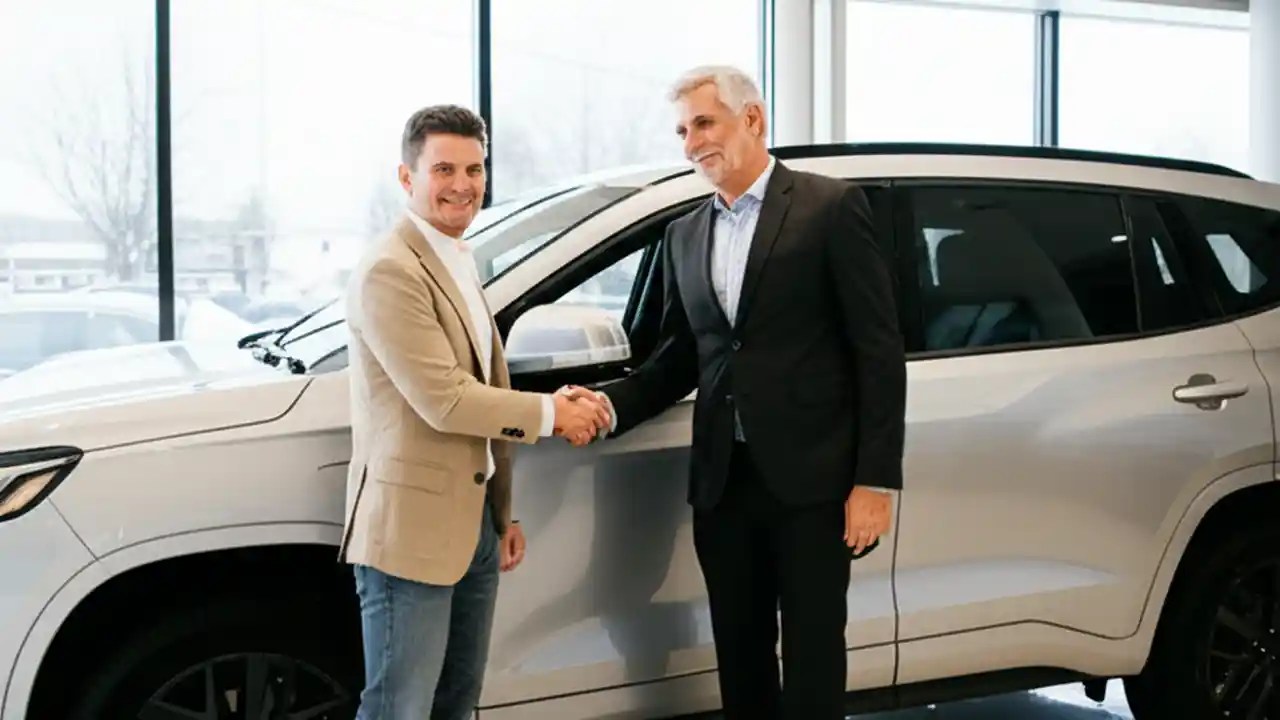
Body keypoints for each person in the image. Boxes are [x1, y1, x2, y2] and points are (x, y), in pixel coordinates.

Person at [562, 66, 906, 719]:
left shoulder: (829, 209)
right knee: (740, 654)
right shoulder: (684, 234)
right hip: (723, 483)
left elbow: (879, 353)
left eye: (704, 123)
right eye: (682, 130)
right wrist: (608, 405)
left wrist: (875, 481)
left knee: (811, 658)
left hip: (815, 484)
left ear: (753, 119)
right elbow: (678, 360)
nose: (692, 143)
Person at [339, 104, 610, 720]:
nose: (463, 184)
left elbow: (479, 381)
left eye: (475, 168)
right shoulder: (390, 269)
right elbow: (445, 399)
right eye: (444, 169)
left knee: (457, 703)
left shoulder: (457, 255)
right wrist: (552, 414)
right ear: (407, 179)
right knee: (397, 709)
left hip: (473, 532)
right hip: (410, 536)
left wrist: (501, 516)